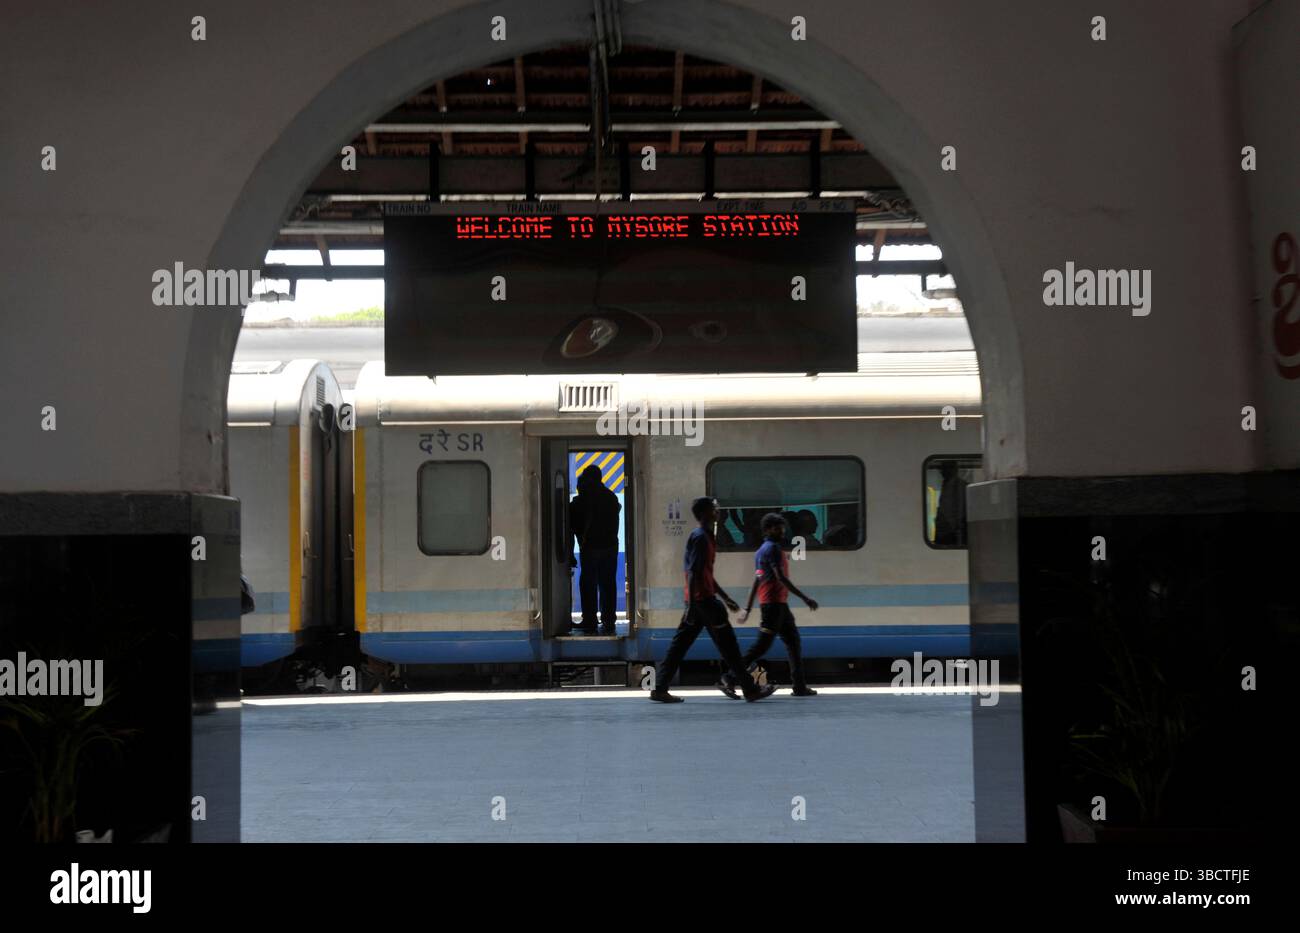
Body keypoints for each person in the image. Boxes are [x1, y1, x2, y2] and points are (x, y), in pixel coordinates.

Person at [649, 497, 777, 703]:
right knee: (729, 647)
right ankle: (750, 689)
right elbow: (693, 573)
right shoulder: (701, 538)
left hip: (699, 601)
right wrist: (693, 605)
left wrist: (725, 598)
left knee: (680, 646)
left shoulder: (704, 536)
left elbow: (705, 574)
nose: (718, 511)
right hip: (704, 603)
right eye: (714, 509)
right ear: (705, 514)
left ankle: (659, 688)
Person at [723, 513, 819, 697]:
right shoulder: (773, 549)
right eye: (777, 527)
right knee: (761, 647)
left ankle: (799, 686)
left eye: (782, 527)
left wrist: (748, 608)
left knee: (793, 642)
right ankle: (728, 677)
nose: (782, 531)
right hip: (774, 606)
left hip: (777, 605)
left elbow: (756, 580)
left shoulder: (761, 550)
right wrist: (805, 598)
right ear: (767, 530)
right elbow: (780, 577)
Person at [569, 463, 621, 634]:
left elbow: (572, 525)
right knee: (608, 584)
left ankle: (590, 620)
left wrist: (570, 553)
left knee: (588, 584)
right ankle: (608, 620)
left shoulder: (583, 498)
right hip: (611, 548)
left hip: (590, 548)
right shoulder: (611, 497)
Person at [933, 461, 969, 547]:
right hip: (946, 533)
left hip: (951, 534)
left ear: (953, 470)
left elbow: (957, 514)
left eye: (943, 469)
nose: (941, 472)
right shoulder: (946, 484)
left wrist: (947, 526)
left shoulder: (960, 486)